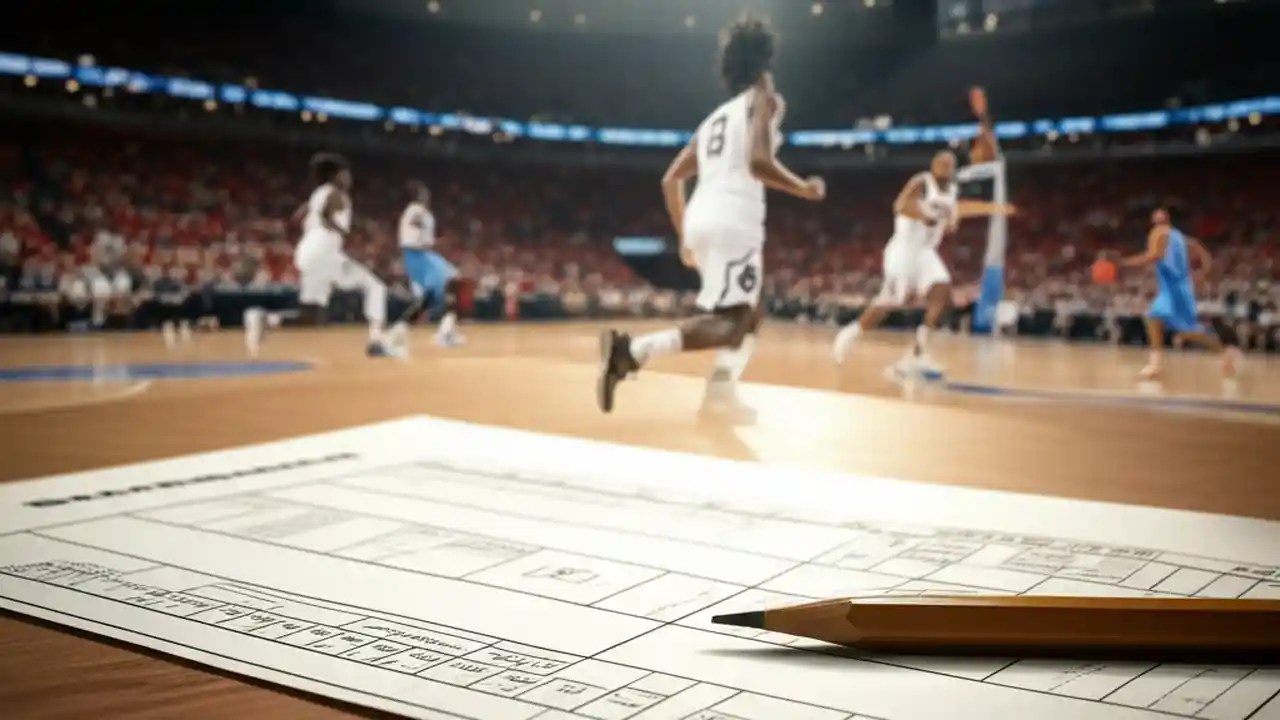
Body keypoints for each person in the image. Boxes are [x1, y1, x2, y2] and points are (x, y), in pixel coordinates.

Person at [595, 16, 825, 417]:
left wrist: (685, 236)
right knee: (730, 322)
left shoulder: (714, 118)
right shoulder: (762, 99)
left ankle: (721, 391)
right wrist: (802, 187)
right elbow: (758, 162)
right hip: (735, 218)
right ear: (767, 58)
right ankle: (630, 352)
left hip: (703, 214)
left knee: (750, 312)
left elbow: (671, 180)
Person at [832, 150, 1015, 377]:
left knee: (942, 293)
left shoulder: (953, 191)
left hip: (926, 252)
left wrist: (953, 220)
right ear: (933, 164)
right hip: (903, 249)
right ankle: (850, 334)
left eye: (949, 164)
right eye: (941, 163)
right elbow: (900, 206)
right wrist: (924, 217)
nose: (945, 167)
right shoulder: (922, 181)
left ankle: (918, 352)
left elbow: (952, 214)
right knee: (890, 303)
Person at [243, 153, 395, 357]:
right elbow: (326, 214)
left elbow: (297, 217)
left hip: (309, 252)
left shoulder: (317, 194)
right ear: (335, 176)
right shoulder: (336, 194)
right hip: (324, 251)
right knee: (375, 286)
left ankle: (266, 319)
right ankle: (377, 340)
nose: (349, 178)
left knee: (311, 315)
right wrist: (344, 230)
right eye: (345, 174)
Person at [1113, 208, 1242, 382]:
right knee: (1155, 319)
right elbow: (1201, 250)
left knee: (1184, 329)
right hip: (1180, 288)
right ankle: (1156, 365)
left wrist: (1124, 263)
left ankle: (1225, 352)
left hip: (1174, 289)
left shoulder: (1157, 233)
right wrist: (1202, 273)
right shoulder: (1180, 237)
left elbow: (1154, 255)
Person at [386, 180, 463, 350]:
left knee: (442, 291)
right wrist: (428, 243)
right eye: (424, 193)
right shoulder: (417, 211)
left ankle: (445, 330)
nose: (428, 196)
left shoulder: (415, 212)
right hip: (418, 255)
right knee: (439, 292)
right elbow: (415, 237)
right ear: (419, 195)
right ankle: (403, 330)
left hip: (422, 255)